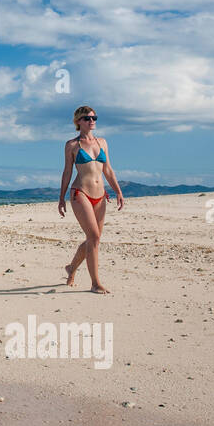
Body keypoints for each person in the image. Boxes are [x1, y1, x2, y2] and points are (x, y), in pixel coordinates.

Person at [57, 105, 124, 294]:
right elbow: (67, 172)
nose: (92, 121)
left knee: (92, 239)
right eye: (87, 118)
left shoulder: (102, 142)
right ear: (78, 121)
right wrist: (61, 198)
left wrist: (118, 191)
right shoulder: (72, 145)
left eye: (94, 118)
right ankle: (95, 283)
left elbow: (108, 170)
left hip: (101, 195)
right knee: (93, 237)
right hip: (81, 193)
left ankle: (71, 268)